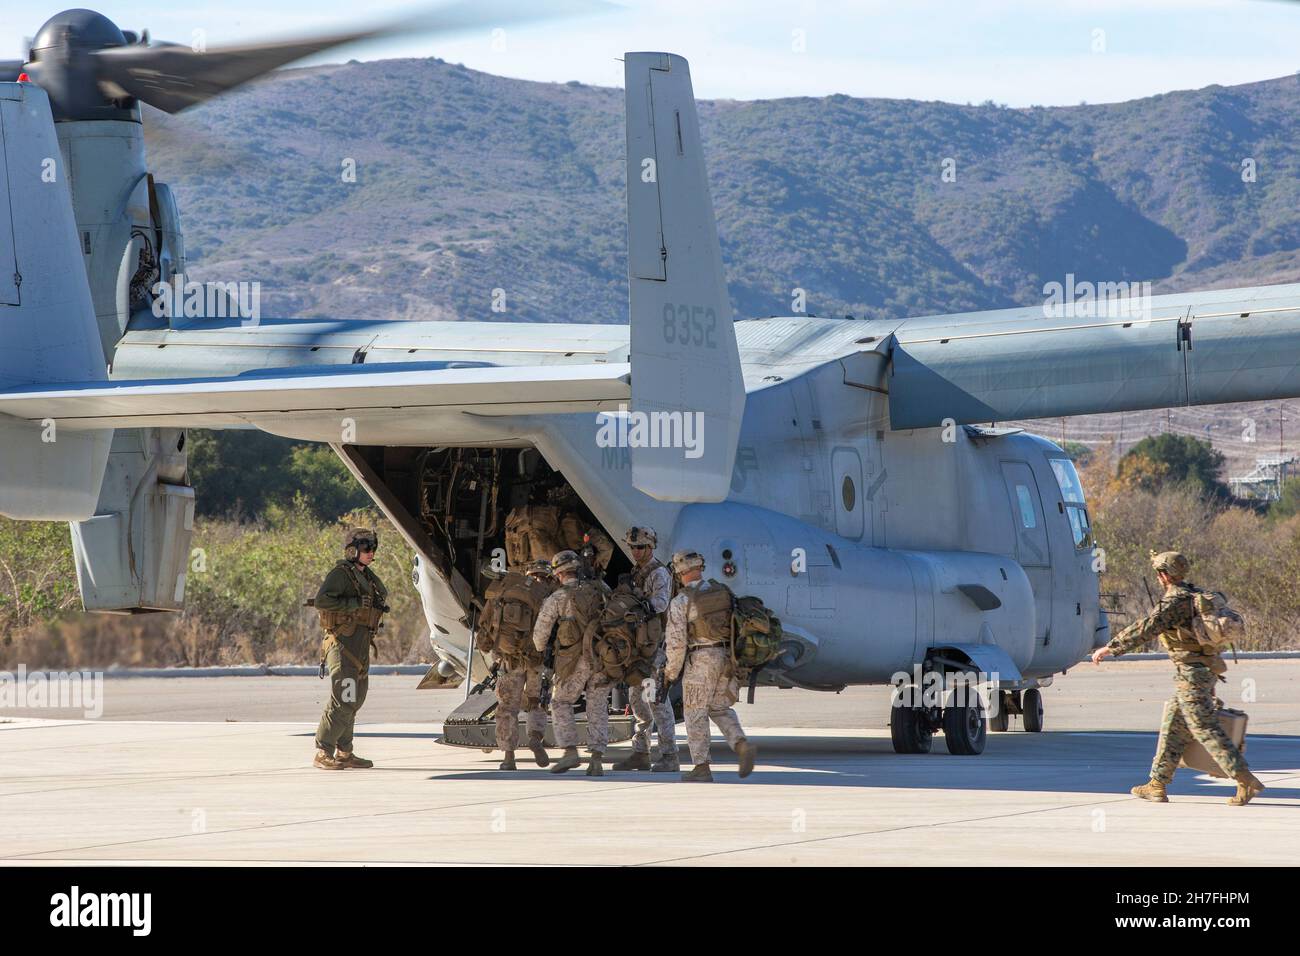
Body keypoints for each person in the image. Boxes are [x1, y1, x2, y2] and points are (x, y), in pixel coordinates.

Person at [1092, 550, 1265, 806]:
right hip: (1201, 672)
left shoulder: (1174, 602)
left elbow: (1146, 628)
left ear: (1163, 575)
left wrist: (1111, 648)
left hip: (1191, 675)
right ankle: (1157, 784)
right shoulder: (1194, 595)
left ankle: (1245, 780)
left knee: (1205, 728)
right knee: (1173, 724)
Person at [663, 550, 756, 783]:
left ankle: (701, 766)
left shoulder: (681, 601)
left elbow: (676, 643)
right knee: (719, 708)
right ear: (700, 568)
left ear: (680, 571)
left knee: (695, 712)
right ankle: (741, 744)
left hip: (701, 659)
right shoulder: (723, 592)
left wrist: (669, 674)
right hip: (727, 658)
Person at [531, 550, 612, 775]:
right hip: (602, 657)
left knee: (561, 702)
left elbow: (539, 638)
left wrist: (544, 650)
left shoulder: (557, 597)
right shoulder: (601, 589)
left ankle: (570, 751)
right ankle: (596, 759)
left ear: (558, 574)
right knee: (597, 704)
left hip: (573, 660)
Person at [313, 528, 388, 770]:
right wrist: (354, 604)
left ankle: (344, 751)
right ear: (353, 550)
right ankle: (323, 750)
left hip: (360, 644)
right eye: (366, 548)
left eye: (373, 548)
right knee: (344, 697)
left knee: (355, 698)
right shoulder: (341, 574)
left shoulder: (365, 575)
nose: (371, 553)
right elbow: (322, 600)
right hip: (343, 643)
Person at [477, 560, 555, 770]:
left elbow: (485, 626)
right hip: (537, 662)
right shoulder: (548, 597)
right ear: (548, 577)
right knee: (537, 703)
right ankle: (535, 738)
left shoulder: (504, 592)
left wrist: (489, 648)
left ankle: (509, 756)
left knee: (507, 708)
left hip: (509, 659)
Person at [612, 526, 678, 772]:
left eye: (640, 547)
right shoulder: (637, 571)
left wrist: (634, 604)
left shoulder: (659, 572)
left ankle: (670, 755)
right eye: (632, 547)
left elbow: (660, 604)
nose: (635, 552)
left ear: (650, 547)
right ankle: (641, 752)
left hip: (654, 646)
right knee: (637, 699)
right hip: (638, 645)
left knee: (656, 699)